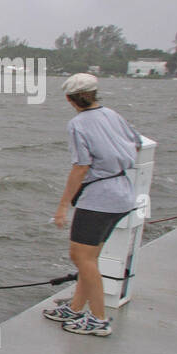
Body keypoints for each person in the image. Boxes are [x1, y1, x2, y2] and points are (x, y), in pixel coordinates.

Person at [44, 73, 143, 336]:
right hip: (122, 193)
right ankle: (76, 308)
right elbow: (137, 144)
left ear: (69, 99)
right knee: (90, 258)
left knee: (80, 257)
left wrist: (63, 206)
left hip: (99, 198)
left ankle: (98, 319)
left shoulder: (78, 124)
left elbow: (81, 166)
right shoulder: (113, 115)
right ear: (95, 93)